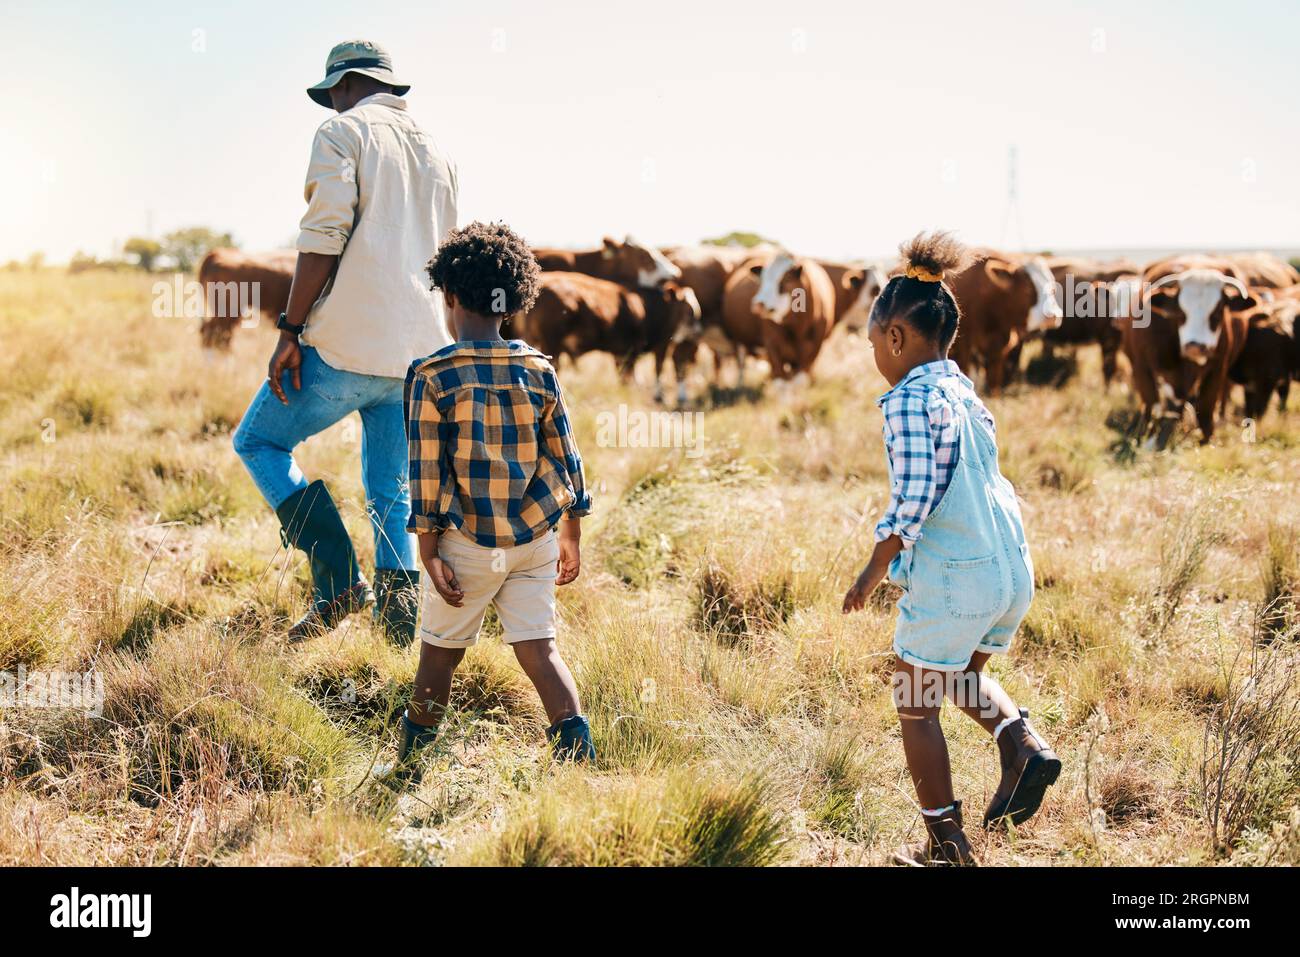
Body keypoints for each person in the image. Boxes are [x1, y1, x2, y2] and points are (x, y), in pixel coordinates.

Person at [842, 232, 1061, 866]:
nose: (874, 357)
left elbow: (912, 499)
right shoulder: (964, 392)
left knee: (915, 704)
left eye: (871, 344)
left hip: (956, 577)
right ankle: (1020, 743)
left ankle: (946, 843)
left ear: (895, 339)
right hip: (1008, 569)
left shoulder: (909, 399)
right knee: (960, 673)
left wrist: (871, 570)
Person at [231, 40, 458, 644]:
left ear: (344, 85)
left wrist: (290, 329)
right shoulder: (438, 149)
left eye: (331, 94)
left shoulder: (342, 133)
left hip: (346, 345)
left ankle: (338, 583)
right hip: (419, 353)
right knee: (393, 491)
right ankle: (397, 634)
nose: (330, 104)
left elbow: (324, 235)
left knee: (257, 441)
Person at [391, 221, 595, 785]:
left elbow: (426, 472)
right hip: (535, 539)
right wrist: (571, 535)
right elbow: (567, 457)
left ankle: (410, 767)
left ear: (450, 297)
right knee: (539, 649)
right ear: (515, 301)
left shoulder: (431, 375)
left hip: (466, 546)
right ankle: (578, 757)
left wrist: (428, 550)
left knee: (439, 654)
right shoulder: (539, 368)